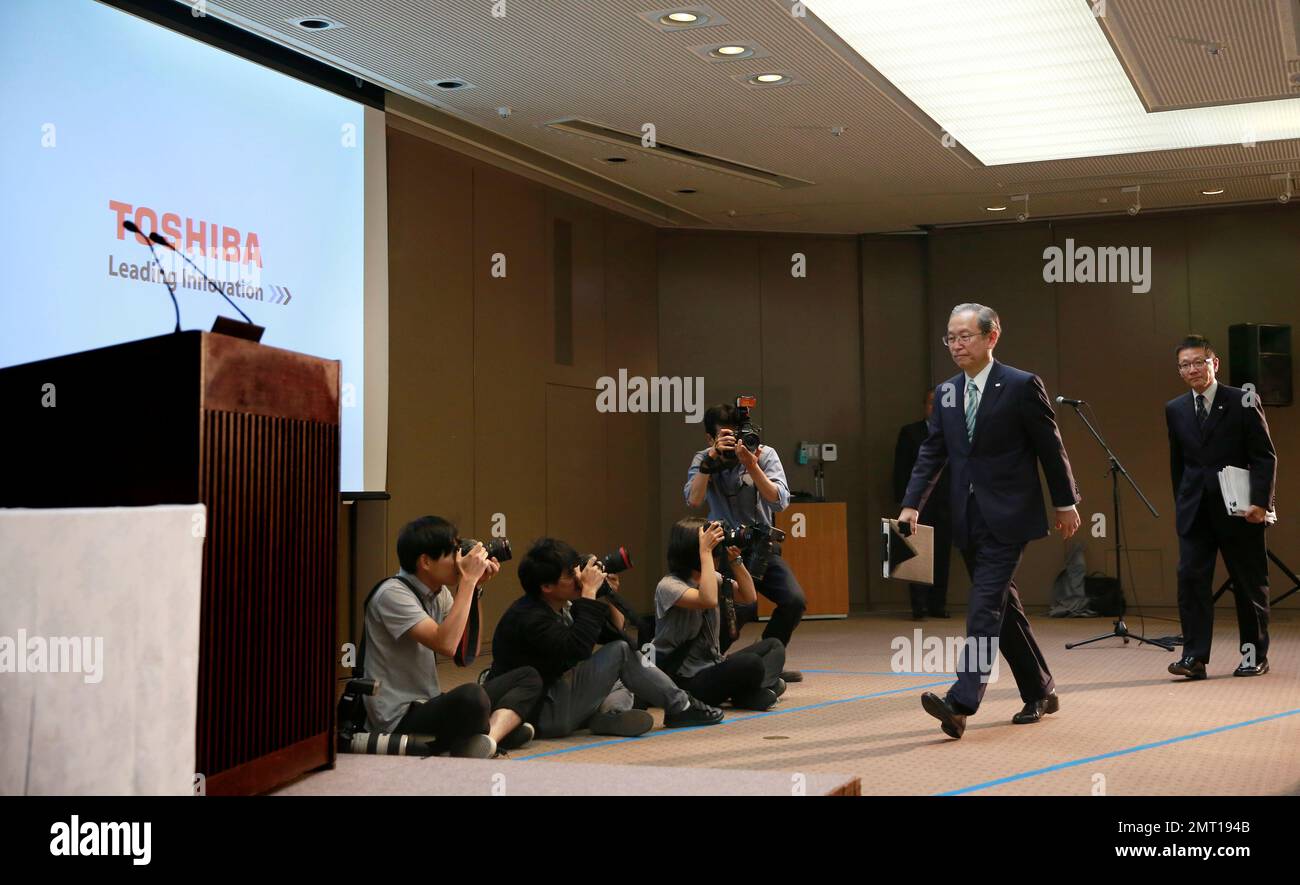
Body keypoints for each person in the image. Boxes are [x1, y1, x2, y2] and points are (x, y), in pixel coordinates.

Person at [899, 303, 1081, 738]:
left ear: (991, 337)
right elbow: (933, 452)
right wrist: (912, 504)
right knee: (1004, 609)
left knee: (982, 607)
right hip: (965, 517)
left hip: (1010, 516)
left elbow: (1049, 448)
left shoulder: (1020, 385)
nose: (956, 345)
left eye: (965, 336)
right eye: (950, 338)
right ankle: (1039, 688)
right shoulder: (945, 393)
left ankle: (961, 702)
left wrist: (1065, 501)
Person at [488, 538, 724, 738]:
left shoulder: (559, 605)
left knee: (629, 668)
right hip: (542, 711)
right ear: (547, 586)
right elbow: (578, 650)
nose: (578, 577)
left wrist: (608, 595)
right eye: (571, 574)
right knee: (622, 655)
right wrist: (588, 594)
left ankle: (610, 716)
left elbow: (614, 635)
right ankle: (680, 705)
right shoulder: (528, 616)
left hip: (560, 697)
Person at [362, 516, 543, 758]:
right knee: (472, 697)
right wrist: (467, 581)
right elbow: (445, 644)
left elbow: (464, 653)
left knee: (528, 677)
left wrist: (475, 588)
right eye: (453, 553)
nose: (460, 560)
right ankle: (490, 734)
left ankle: (488, 738)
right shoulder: (392, 594)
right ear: (426, 561)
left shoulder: (439, 594)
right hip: (398, 716)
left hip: (427, 702)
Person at [1166, 334, 1277, 679]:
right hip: (1195, 510)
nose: (1192, 369)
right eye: (1185, 365)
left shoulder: (1243, 400)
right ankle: (1194, 658)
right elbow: (1178, 463)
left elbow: (1264, 455)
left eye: (1199, 362)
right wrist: (1181, 504)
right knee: (1191, 580)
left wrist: (1261, 502)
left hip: (1240, 510)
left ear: (1215, 363)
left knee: (1248, 584)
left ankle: (1252, 655)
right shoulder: (1175, 408)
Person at [684, 402, 804, 682]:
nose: (733, 442)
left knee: (794, 600)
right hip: (724, 548)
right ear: (710, 438)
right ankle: (707, 665)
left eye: (736, 435)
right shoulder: (704, 458)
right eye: (724, 436)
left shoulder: (763, 454)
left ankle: (768, 658)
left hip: (762, 546)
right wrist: (709, 463)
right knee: (741, 608)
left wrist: (751, 464)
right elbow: (694, 500)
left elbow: (780, 502)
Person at [653, 518, 787, 710]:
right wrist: (706, 552)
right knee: (751, 664)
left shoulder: (711, 578)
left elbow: (748, 597)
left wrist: (736, 561)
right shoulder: (668, 586)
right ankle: (751, 691)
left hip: (713, 664)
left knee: (774, 646)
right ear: (692, 550)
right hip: (685, 679)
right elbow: (707, 599)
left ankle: (747, 693)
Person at [893, 388, 952, 619]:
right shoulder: (910, 432)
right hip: (917, 504)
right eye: (930, 403)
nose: (934, 408)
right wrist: (904, 501)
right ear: (924, 406)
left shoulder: (954, 432)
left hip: (948, 502)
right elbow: (900, 470)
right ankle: (919, 607)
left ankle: (938, 605)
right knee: (915, 553)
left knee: (942, 555)